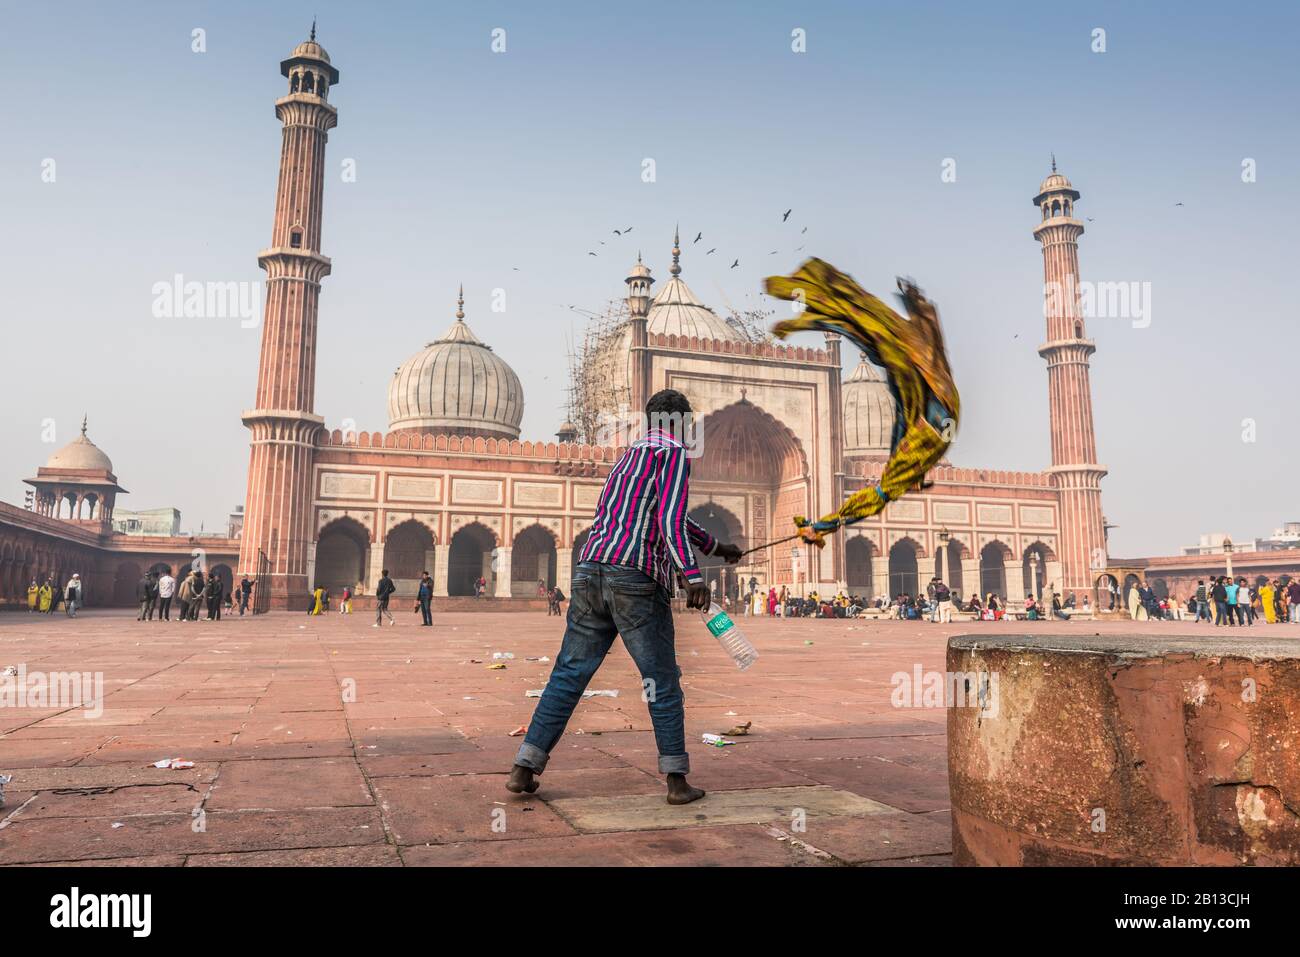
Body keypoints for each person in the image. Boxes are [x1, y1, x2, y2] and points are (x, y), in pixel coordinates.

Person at [507, 388, 743, 806]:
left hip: (590, 572)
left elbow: (657, 512)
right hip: (634, 578)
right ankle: (676, 779)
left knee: (568, 674)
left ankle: (524, 767)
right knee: (661, 680)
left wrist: (716, 547)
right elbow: (670, 517)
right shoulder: (673, 454)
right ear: (682, 423)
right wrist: (692, 577)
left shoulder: (628, 458)